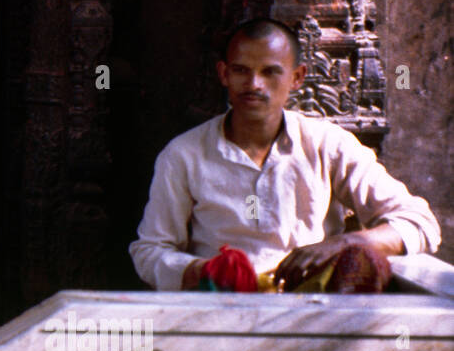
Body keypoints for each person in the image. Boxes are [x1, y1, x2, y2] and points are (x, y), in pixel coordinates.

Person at [130, 18, 441, 291]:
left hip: (312, 309)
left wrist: (344, 243)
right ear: (223, 74)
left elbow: (421, 224)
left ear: (297, 77)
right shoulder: (183, 154)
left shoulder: (327, 144)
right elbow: (150, 251)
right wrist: (204, 272)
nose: (254, 84)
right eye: (241, 71)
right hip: (221, 308)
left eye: (270, 72)